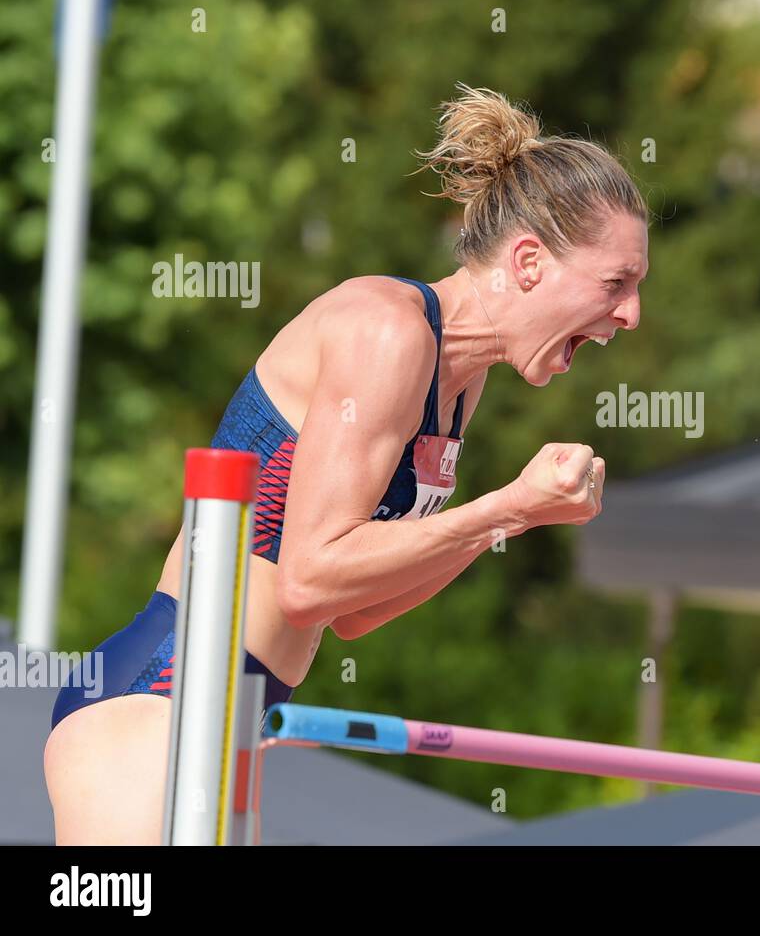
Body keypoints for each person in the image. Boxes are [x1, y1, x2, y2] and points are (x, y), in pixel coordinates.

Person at [43, 84, 649, 844]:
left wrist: (510, 521)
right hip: (159, 701)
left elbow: (355, 610)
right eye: (615, 283)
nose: (630, 315)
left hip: (229, 716)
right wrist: (506, 508)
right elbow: (306, 579)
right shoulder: (388, 333)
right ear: (528, 261)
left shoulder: (462, 382)